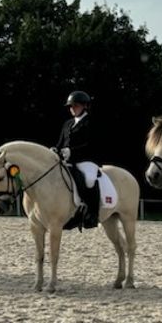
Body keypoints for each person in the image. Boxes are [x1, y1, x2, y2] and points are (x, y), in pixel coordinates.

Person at [56, 91, 100, 230]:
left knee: (89, 179)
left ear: (85, 106)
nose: (72, 108)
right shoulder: (67, 124)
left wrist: (72, 151)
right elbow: (61, 142)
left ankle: (92, 214)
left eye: (75, 106)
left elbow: (91, 145)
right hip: (67, 160)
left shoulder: (91, 122)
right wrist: (55, 149)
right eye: (70, 106)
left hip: (86, 160)